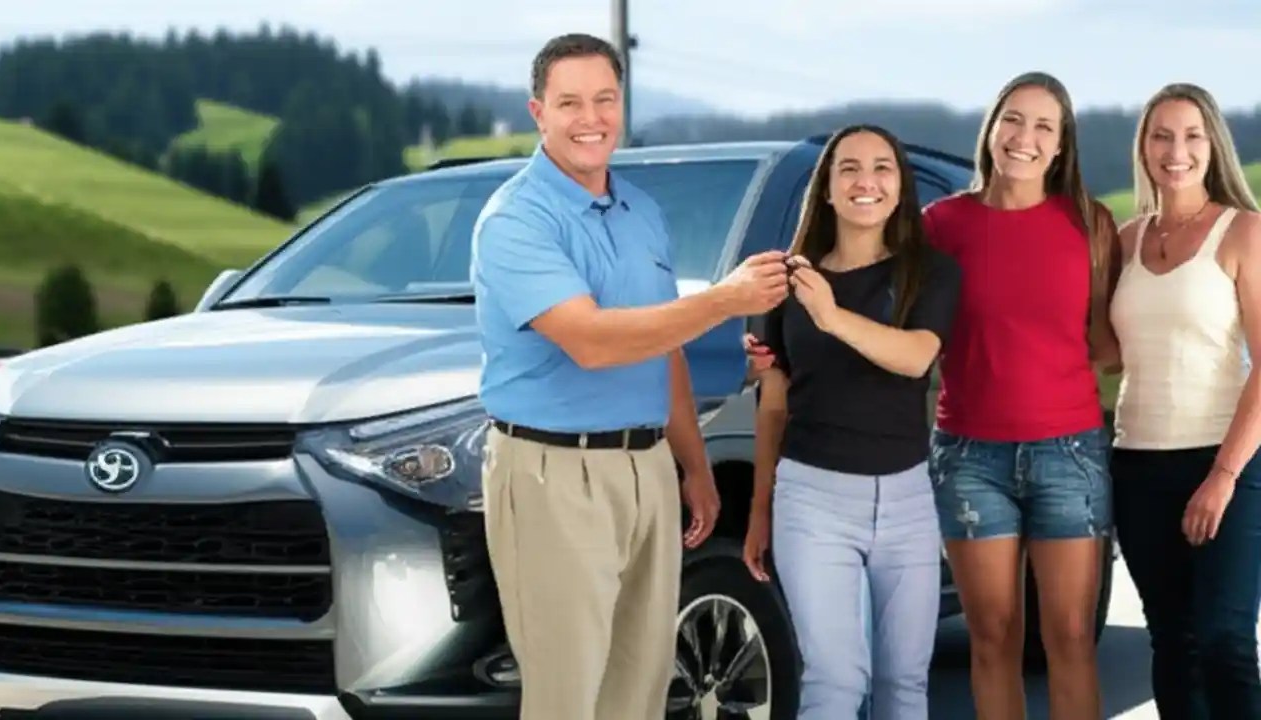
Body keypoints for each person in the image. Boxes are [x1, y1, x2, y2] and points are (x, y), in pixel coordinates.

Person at [747, 71, 1120, 720]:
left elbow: (1105, 340)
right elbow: (895, 305)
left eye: (1043, 126)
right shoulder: (942, 225)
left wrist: (1034, 370)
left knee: (1067, 638)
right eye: (1012, 119)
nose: (1024, 137)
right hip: (969, 454)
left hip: (1069, 449)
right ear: (991, 129)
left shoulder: (1089, 223)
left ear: (1062, 146)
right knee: (991, 637)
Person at [470, 33, 791, 720]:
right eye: (570, 102)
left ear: (623, 106)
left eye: (605, 99)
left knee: (641, 689)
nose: (591, 118)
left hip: (645, 469)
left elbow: (662, 339)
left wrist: (693, 466)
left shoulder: (642, 212)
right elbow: (590, 341)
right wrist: (725, 300)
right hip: (552, 473)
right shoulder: (515, 220)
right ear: (538, 112)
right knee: (567, 695)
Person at [743, 124, 962, 719]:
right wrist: (761, 509)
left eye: (882, 168)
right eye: (849, 169)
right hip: (812, 500)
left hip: (908, 499)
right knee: (836, 681)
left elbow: (917, 355)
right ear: (829, 190)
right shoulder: (783, 283)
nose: (867, 180)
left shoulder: (931, 273)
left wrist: (831, 315)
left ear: (900, 186)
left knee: (903, 685)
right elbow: (773, 402)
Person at [1108, 82, 1261, 719]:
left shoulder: (1243, 232)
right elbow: (1097, 349)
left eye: (1192, 135)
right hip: (1137, 462)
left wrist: (1222, 476)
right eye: (1162, 135)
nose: (1177, 150)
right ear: (1144, 149)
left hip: (1225, 460)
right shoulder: (1123, 241)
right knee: (1171, 639)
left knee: (1224, 640)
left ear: (1212, 145)